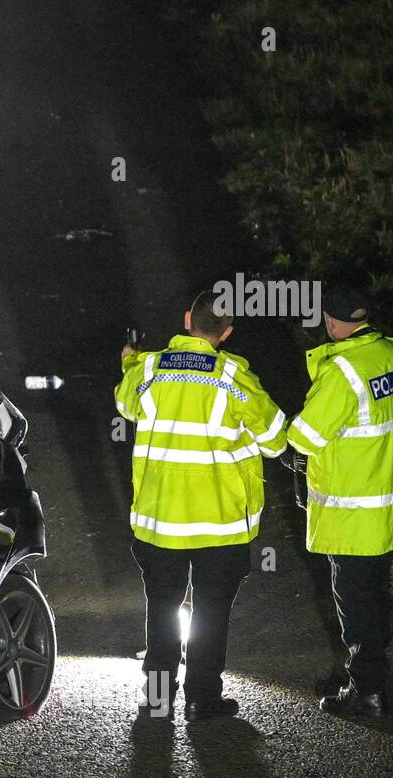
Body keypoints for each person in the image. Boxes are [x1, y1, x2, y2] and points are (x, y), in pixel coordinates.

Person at [115, 289, 287, 720]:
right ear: (226, 333)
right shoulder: (234, 377)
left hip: (161, 520)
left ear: (187, 317)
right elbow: (276, 439)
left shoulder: (149, 368)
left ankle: (157, 700)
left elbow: (124, 402)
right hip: (220, 523)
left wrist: (129, 361)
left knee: (161, 608)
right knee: (210, 613)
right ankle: (202, 699)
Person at [286, 286, 393, 716]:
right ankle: (378, 672)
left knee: (355, 598)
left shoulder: (342, 371)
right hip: (390, 505)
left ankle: (367, 689)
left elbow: (304, 436)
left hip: (353, 511)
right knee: (376, 592)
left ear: (330, 321)